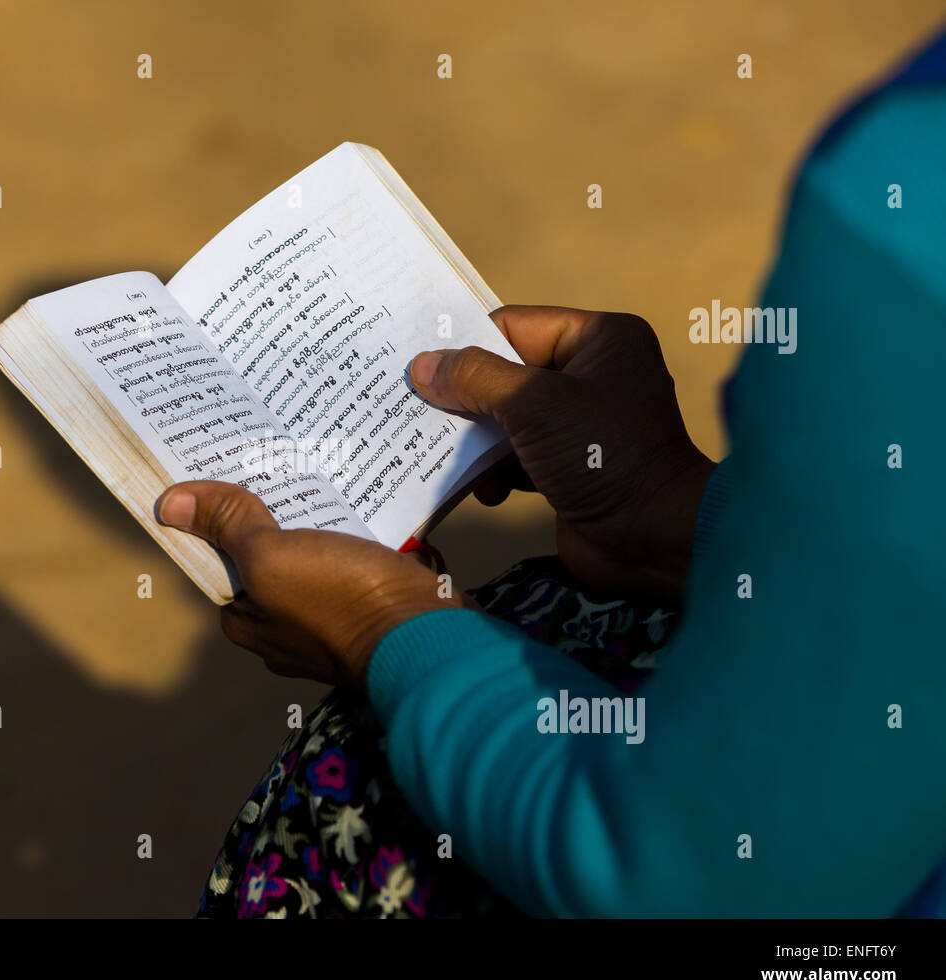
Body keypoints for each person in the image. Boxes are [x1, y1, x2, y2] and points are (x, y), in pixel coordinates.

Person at [157, 31, 946, 917]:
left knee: (360, 796)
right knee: (565, 609)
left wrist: (385, 631)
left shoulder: (907, 200)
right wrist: (678, 511)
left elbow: (685, 884)